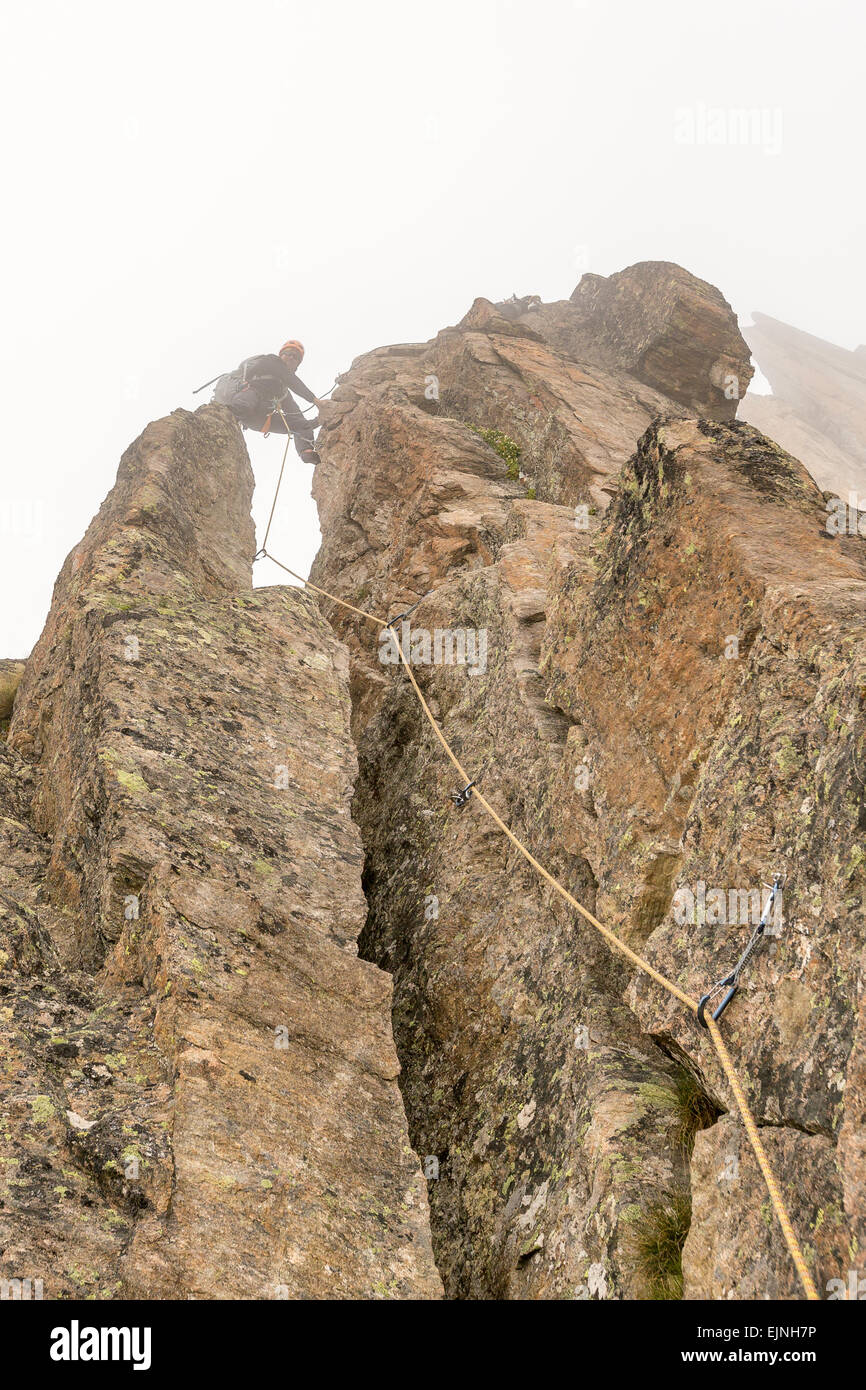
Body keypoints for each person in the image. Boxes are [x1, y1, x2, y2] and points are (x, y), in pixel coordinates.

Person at [213, 340, 327, 464]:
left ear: (297, 365)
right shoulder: (271, 360)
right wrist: (315, 401)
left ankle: (307, 453)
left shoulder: (283, 393)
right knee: (249, 398)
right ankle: (230, 415)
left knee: (301, 424)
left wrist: (319, 420)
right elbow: (291, 380)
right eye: (287, 353)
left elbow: (298, 417)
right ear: (280, 355)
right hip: (247, 398)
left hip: (260, 418)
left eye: (295, 357)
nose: (290, 357)